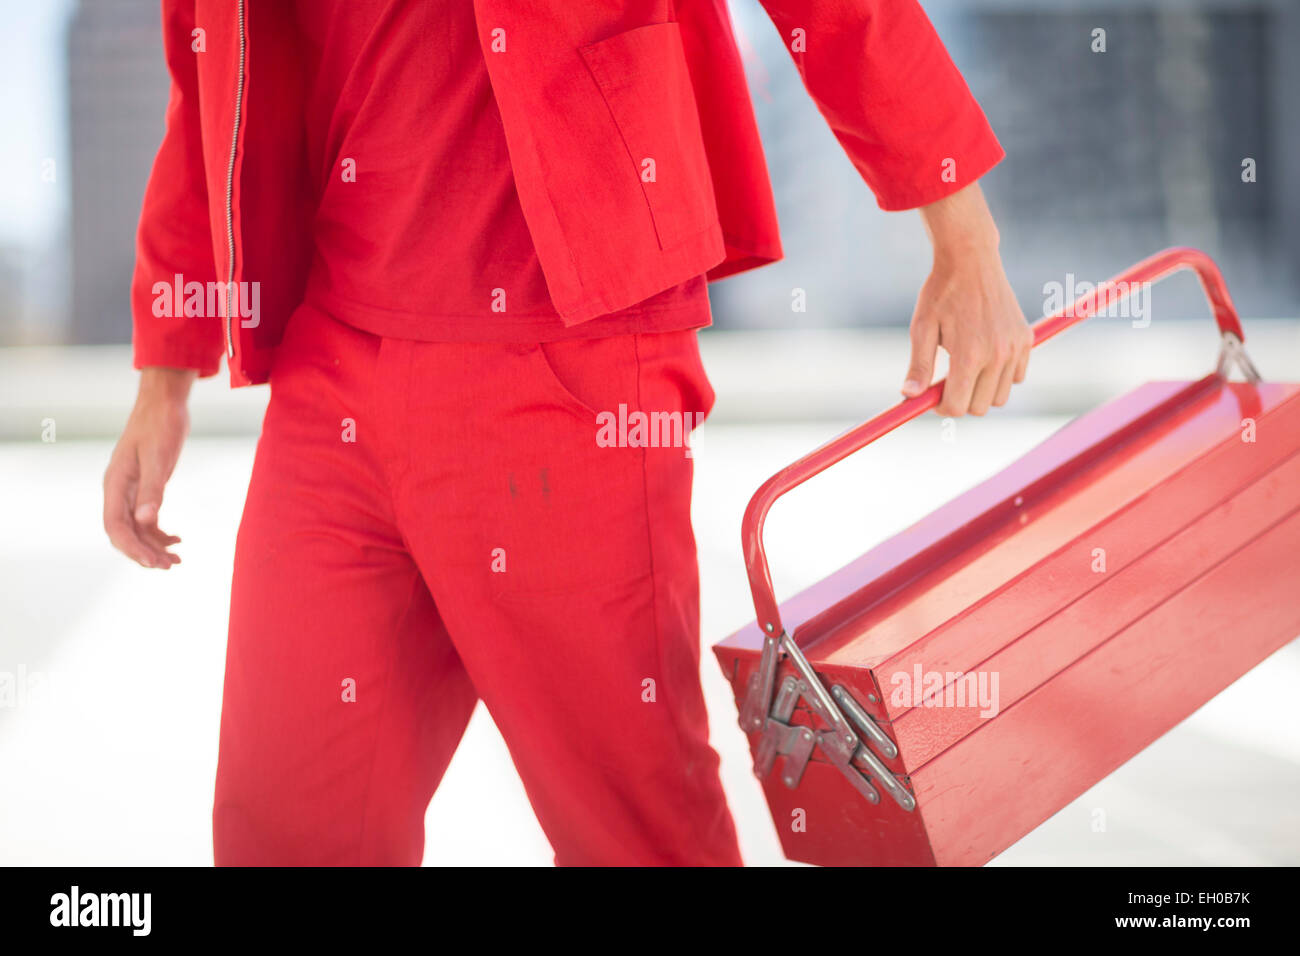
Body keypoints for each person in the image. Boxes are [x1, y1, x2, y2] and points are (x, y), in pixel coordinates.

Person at [103, 0, 1031, 866]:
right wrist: (164, 372)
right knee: (287, 829)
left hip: (573, 343)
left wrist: (964, 236)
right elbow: (209, 71)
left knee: (633, 828)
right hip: (331, 366)